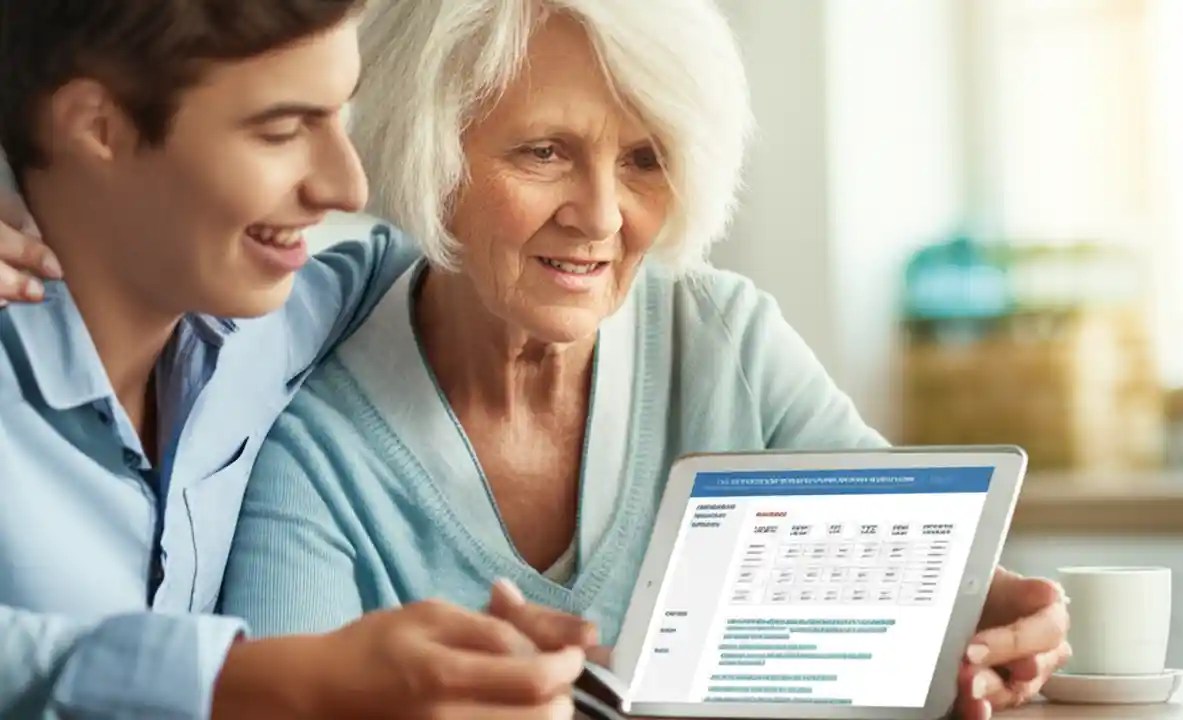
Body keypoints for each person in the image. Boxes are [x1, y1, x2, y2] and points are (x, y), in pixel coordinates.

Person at [217, 1, 1071, 718]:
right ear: (427, 152)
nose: (600, 216)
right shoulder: (317, 439)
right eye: (544, 152)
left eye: (643, 160)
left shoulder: (724, 338)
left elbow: (907, 571)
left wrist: (984, 619)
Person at [0, 2, 588, 718]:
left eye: (339, 115)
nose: (347, 187)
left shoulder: (277, 321)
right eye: (281, 131)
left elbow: (471, 249)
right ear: (99, 127)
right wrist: (276, 681)